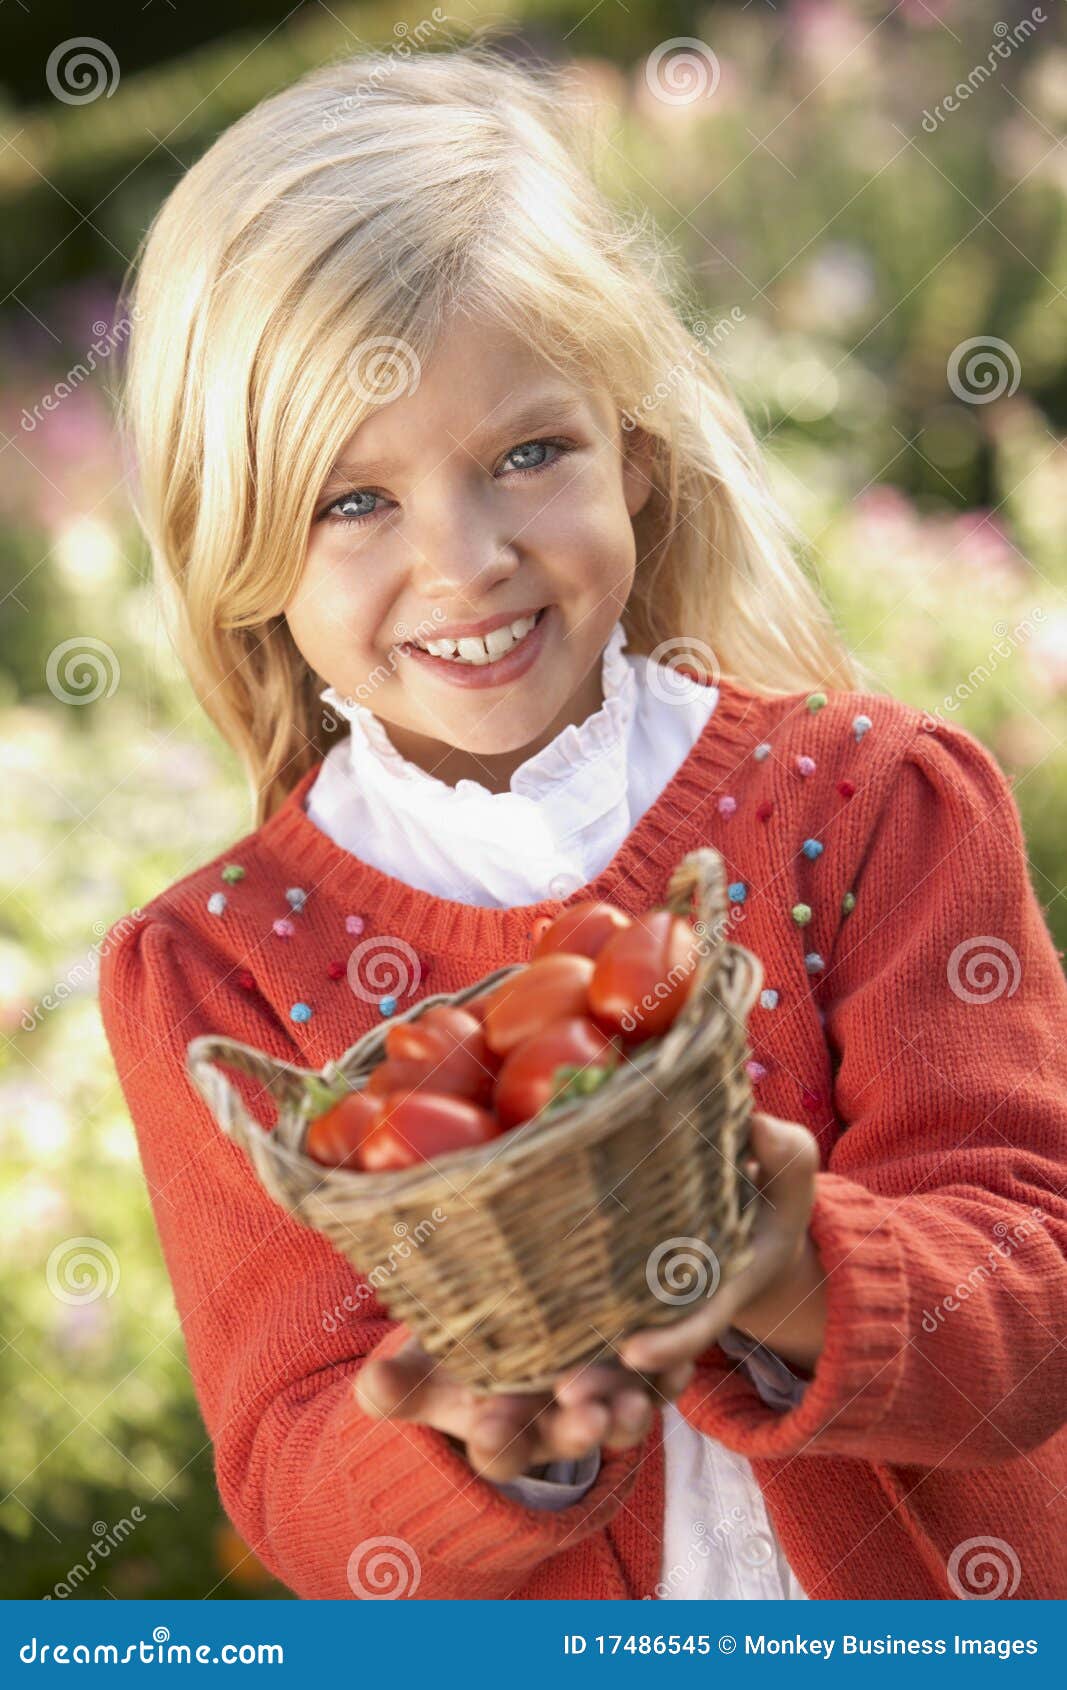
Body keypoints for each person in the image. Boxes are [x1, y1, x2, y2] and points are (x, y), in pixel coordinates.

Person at [99, 43, 1067, 1602]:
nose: (465, 558)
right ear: (244, 544)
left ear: (633, 449)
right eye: (356, 502)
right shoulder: (222, 976)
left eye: (527, 454)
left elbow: (1035, 1295)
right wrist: (480, 1445)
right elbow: (304, 1492)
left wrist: (796, 1270)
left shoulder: (871, 804)